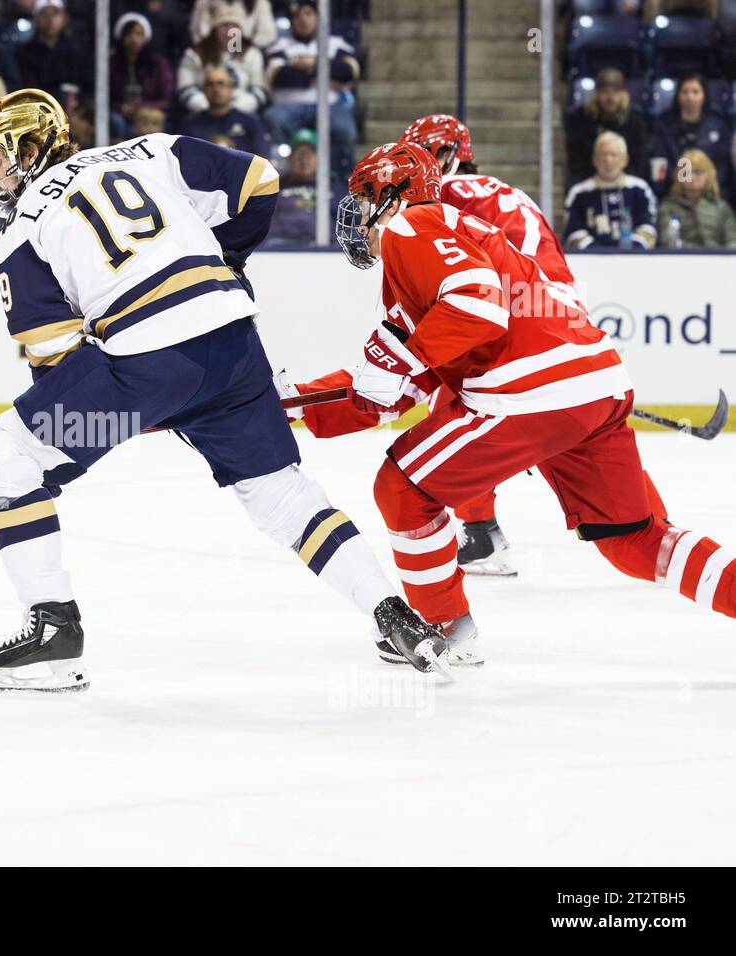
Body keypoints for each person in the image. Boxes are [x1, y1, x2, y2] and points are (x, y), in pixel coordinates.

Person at [0, 88, 452, 692]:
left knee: (5, 455)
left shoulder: (20, 231)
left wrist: (77, 444)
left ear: (33, 148)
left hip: (146, 364)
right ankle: (393, 614)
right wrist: (226, 259)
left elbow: (56, 357)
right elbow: (261, 181)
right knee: (282, 495)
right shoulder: (147, 150)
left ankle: (54, 636)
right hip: (233, 344)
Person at [293, 141, 736, 668]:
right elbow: (401, 386)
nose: (358, 218)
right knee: (635, 540)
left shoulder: (412, 228)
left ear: (393, 199)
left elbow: (477, 305)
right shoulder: (443, 242)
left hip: (531, 390)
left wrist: (400, 360)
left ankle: (444, 629)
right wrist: (298, 405)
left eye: (365, 200)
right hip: (595, 383)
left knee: (404, 486)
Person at [401, 113, 583, 576]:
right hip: (556, 308)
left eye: (420, 159)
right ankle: (648, 521)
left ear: (444, 156)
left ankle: (481, 532)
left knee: (457, 401)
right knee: (571, 424)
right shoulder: (495, 189)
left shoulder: (448, 195)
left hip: (524, 309)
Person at [262, 0, 359, 171]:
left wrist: (309, 65)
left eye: (308, 14)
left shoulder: (335, 44)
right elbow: (278, 77)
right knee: (273, 118)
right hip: (289, 106)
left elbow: (348, 72)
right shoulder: (280, 46)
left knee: (345, 129)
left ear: (318, 17)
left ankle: (342, 175)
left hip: (329, 105)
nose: (303, 19)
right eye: (298, 15)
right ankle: (282, 174)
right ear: (292, 20)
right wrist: (323, 71)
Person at [565, 130, 657, 249]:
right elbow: (574, 234)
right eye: (603, 155)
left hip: (634, 259)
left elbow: (648, 228)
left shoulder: (640, 189)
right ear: (594, 160)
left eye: (614, 155)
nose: (608, 161)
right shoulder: (579, 193)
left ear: (625, 160)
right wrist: (599, 253)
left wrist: (631, 249)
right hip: (591, 261)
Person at [647, 73, 731, 198]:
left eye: (695, 92)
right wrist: (684, 183)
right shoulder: (664, 125)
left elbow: (722, 163)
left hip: (711, 190)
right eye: (685, 92)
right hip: (675, 190)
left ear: (704, 95)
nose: (690, 97)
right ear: (678, 95)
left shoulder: (718, 124)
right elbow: (661, 160)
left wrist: (705, 183)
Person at [175, 4, 267, 116]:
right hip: (202, 112)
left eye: (234, 26)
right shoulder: (194, 54)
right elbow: (185, 89)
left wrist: (232, 109)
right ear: (214, 29)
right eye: (224, 25)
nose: (230, 31)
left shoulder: (252, 54)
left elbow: (259, 91)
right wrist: (211, 108)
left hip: (243, 113)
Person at [565, 67, 648, 183]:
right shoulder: (582, 117)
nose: (610, 97)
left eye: (615, 92)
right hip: (589, 181)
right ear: (597, 93)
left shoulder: (634, 119)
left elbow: (639, 158)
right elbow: (577, 159)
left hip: (626, 182)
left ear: (623, 93)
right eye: (605, 92)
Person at [178, 65, 269, 157]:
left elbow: (263, 158)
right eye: (210, 84)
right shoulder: (190, 124)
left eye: (221, 83)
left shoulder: (250, 122)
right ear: (204, 90)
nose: (216, 89)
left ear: (231, 89)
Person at [657, 148, 736, 248]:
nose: (692, 178)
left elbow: (733, 241)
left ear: (709, 175)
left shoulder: (721, 208)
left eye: (698, 172)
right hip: (682, 260)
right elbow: (667, 242)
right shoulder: (668, 207)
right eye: (686, 173)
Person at [109, 12, 174, 131]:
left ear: (146, 37)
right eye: (129, 33)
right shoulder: (112, 63)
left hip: (150, 112)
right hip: (122, 114)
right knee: (115, 121)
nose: (134, 38)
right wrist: (121, 108)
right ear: (122, 37)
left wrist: (139, 107)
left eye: (139, 33)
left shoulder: (158, 63)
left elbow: (166, 100)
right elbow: (106, 97)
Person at [14, 0, 85, 100]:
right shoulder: (23, 54)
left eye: (55, 14)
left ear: (64, 18)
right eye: (44, 14)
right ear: (35, 18)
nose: (50, 20)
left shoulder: (76, 51)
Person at [189, 0, 276, 52]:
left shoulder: (259, 3)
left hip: (245, 54)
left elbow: (268, 35)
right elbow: (197, 33)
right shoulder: (204, 2)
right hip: (209, 54)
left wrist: (244, 48)